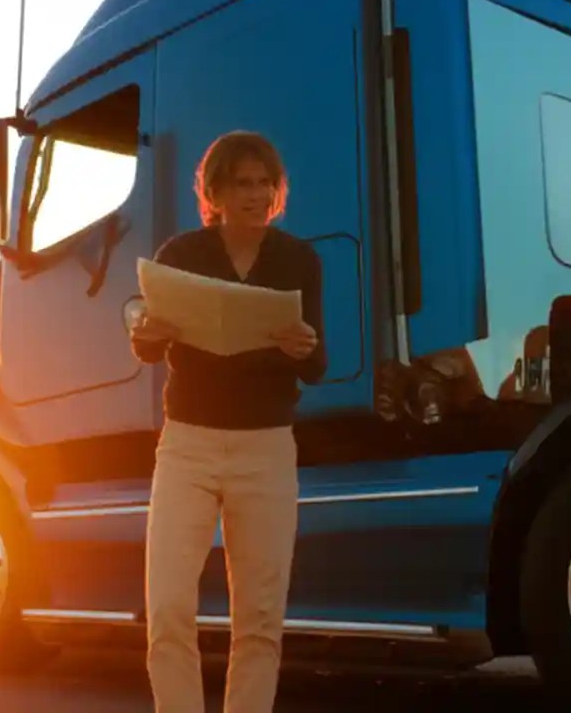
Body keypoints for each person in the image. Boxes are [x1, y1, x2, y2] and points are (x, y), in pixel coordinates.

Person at [129, 130, 327, 713]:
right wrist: (147, 333)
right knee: (167, 606)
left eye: (266, 182)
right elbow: (147, 347)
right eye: (243, 182)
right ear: (214, 190)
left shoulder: (298, 259)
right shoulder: (181, 256)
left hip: (266, 449)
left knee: (260, 619)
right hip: (187, 445)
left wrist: (304, 346)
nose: (257, 193)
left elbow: (317, 365)